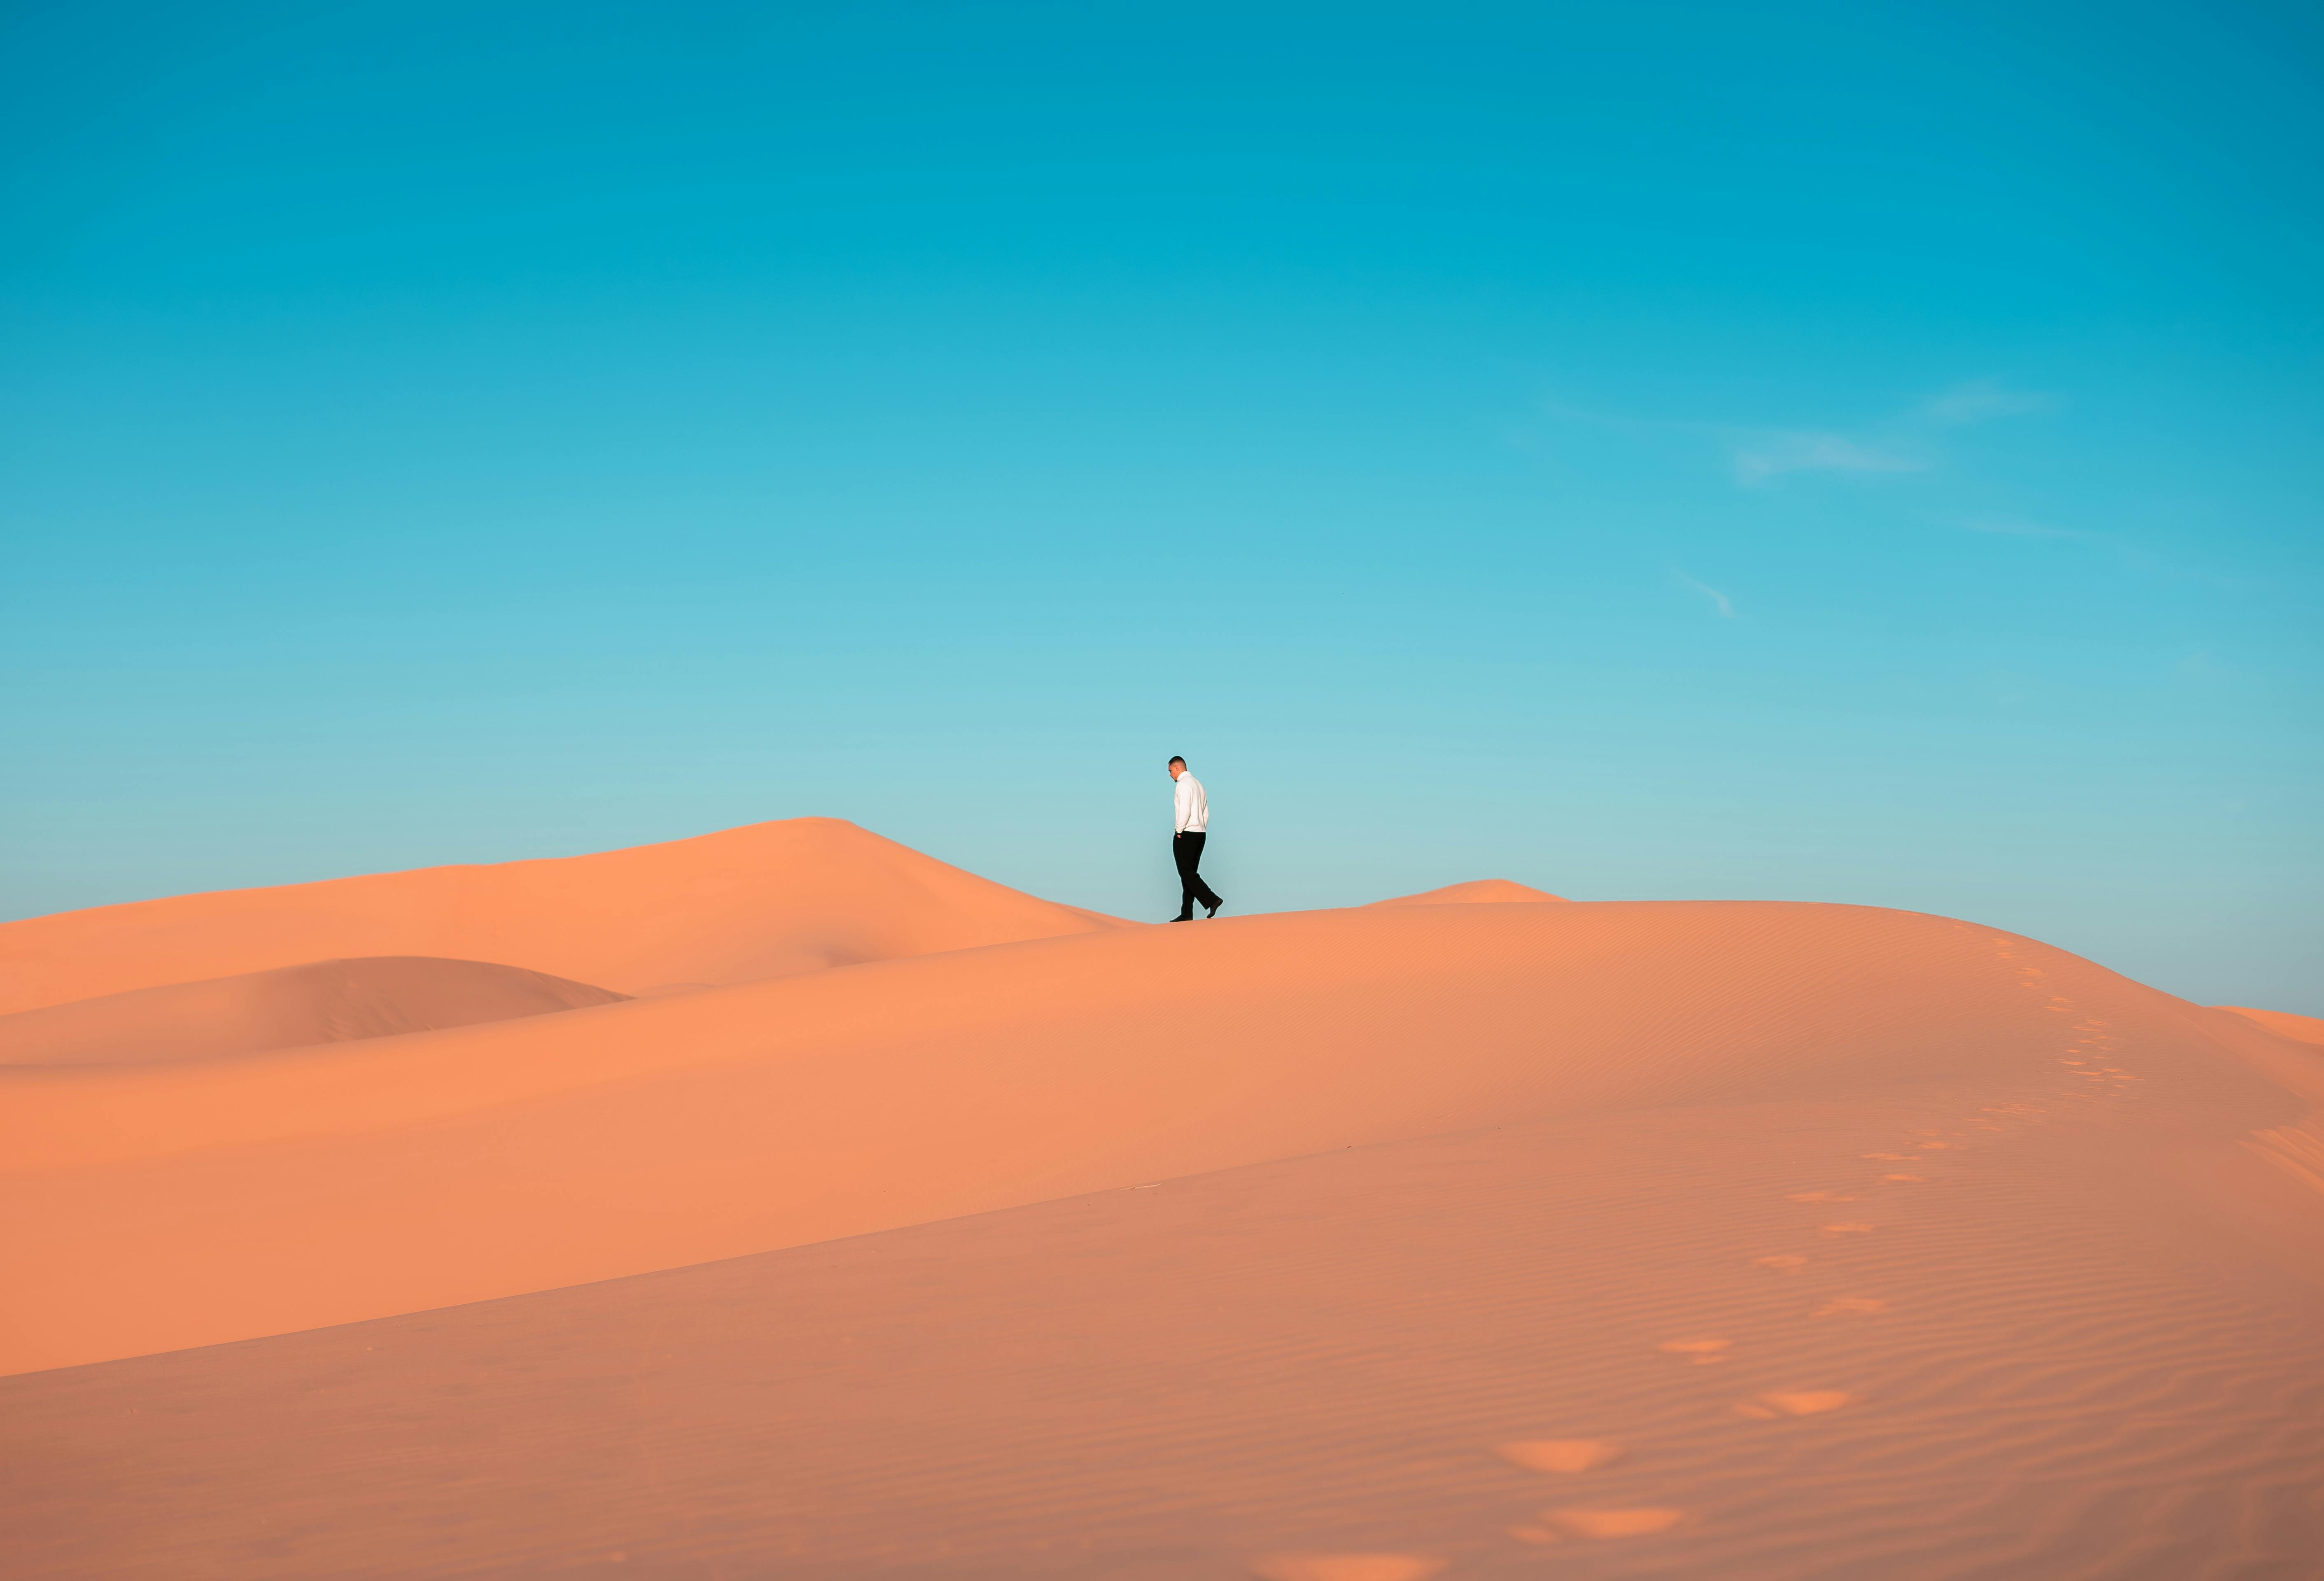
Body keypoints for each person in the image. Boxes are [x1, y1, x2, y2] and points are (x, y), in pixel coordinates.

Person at [1167, 756, 1224, 921]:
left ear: (1177, 768)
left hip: (1187, 833)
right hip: (1200, 834)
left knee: (1186, 873)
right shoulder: (1199, 785)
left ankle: (1212, 900)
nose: (1170, 775)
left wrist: (1179, 830)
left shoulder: (1183, 785)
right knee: (1189, 874)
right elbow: (1206, 812)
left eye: (1170, 771)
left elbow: (1184, 810)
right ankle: (1187, 913)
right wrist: (1201, 827)